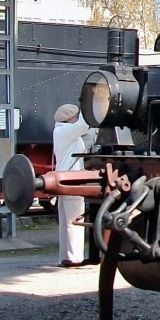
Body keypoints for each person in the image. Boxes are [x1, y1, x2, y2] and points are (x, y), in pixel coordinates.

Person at [53, 103, 94, 267]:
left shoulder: (61, 131)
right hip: (72, 179)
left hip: (62, 177)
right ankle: (75, 257)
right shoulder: (66, 131)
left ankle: (65, 256)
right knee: (74, 219)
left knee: (65, 221)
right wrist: (88, 107)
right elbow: (84, 125)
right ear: (71, 117)